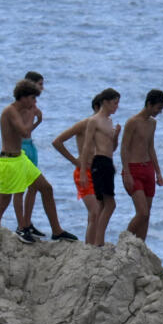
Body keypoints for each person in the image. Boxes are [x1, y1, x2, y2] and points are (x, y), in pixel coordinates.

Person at [12, 71, 76, 243]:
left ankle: (27, 222)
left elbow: (27, 131)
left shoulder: (33, 107)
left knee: (34, 188)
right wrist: (36, 122)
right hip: (21, 149)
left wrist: (38, 122)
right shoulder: (20, 107)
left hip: (30, 146)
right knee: (20, 188)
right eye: (40, 84)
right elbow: (19, 131)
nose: (42, 87)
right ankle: (21, 226)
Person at [53, 89, 122, 247]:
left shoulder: (107, 124)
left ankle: (94, 245)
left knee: (99, 209)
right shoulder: (87, 123)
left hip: (98, 167)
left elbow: (111, 149)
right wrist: (75, 162)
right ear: (99, 106)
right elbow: (57, 141)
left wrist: (116, 135)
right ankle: (90, 248)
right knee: (95, 212)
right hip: (85, 170)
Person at [0, 78, 44, 257]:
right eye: (32, 99)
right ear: (23, 97)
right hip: (9, 162)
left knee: (46, 188)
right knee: (3, 204)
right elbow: (24, 132)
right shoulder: (10, 111)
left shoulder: (18, 110)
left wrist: (33, 116)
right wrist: (36, 119)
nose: (34, 103)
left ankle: (47, 229)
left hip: (20, 158)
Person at [119, 89, 163, 242]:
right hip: (133, 170)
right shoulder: (132, 122)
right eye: (158, 108)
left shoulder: (153, 123)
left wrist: (158, 173)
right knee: (142, 213)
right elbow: (124, 148)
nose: (159, 111)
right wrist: (126, 173)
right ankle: (124, 242)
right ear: (149, 104)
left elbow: (150, 147)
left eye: (161, 108)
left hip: (148, 169)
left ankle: (140, 246)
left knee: (148, 214)